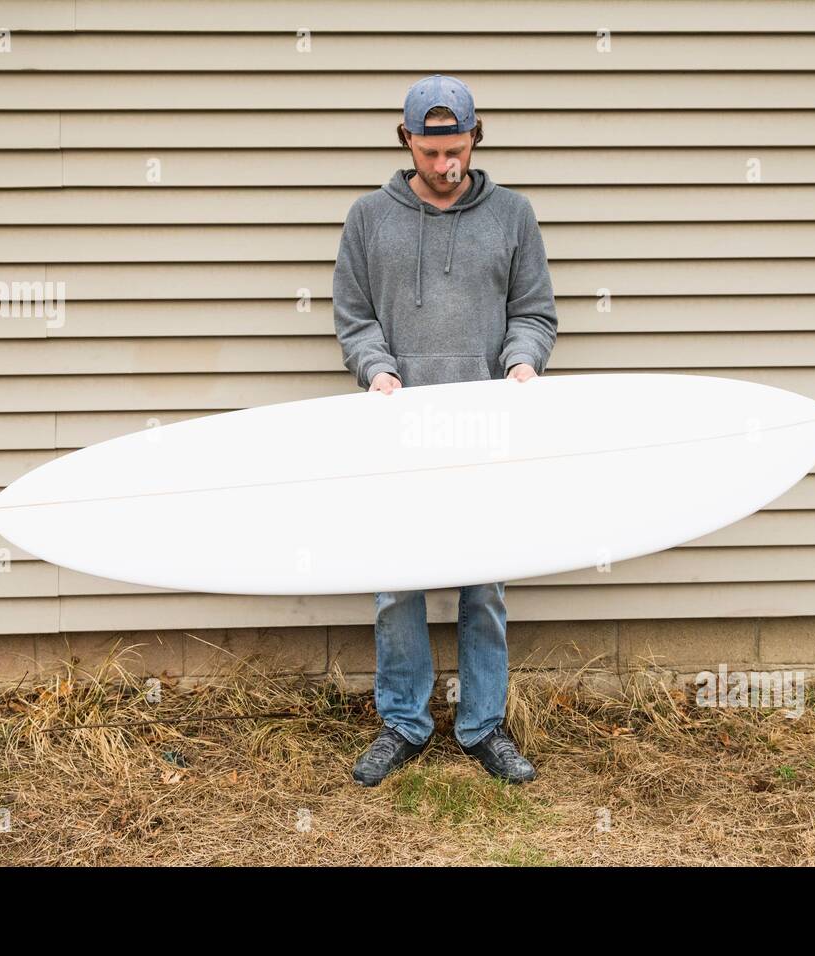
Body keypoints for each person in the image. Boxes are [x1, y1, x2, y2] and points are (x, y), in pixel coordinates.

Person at [332, 74, 558, 786]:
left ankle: (483, 726)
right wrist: (377, 373)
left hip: (486, 431)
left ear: (474, 138)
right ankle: (403, 722)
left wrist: (522, 365)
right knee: (397, 584)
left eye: (457, 150)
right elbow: (354, 318)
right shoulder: (368, 219)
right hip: (399, 431)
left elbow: (535, 313)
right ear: (408, 142)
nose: (446, 166)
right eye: (431, 154)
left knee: (482, 584)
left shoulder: (514, 216)